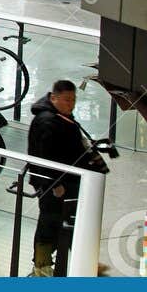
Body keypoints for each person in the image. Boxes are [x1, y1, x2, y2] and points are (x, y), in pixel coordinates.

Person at [25, 78, 109, 276]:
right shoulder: (47, 122)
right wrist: (55, 183)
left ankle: (84, 261)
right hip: (55, 185)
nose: (70, 104)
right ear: (53, 98)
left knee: (69, 222)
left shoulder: (59, 117)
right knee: (50, 222)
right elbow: (44, 157)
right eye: (66, 100)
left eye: (73, 100)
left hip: (68, 180)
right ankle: (42, 266)